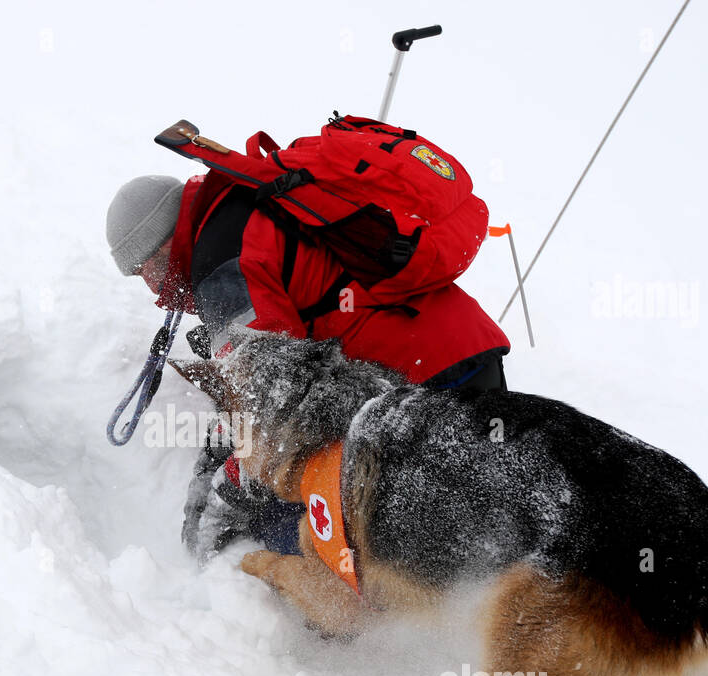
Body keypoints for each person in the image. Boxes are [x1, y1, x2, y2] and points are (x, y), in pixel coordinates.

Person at [106, 172, 511, 562]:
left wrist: (221, 503)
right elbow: (260, 386)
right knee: (490, 525)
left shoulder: (222, 270)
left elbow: (272, 416)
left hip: (419, 384)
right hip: (460, 350)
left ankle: (335, 627)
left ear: (165, 247)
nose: (157, 291)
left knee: (287, 524)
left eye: (150, 273)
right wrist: (220, 450)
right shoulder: (242, 209)